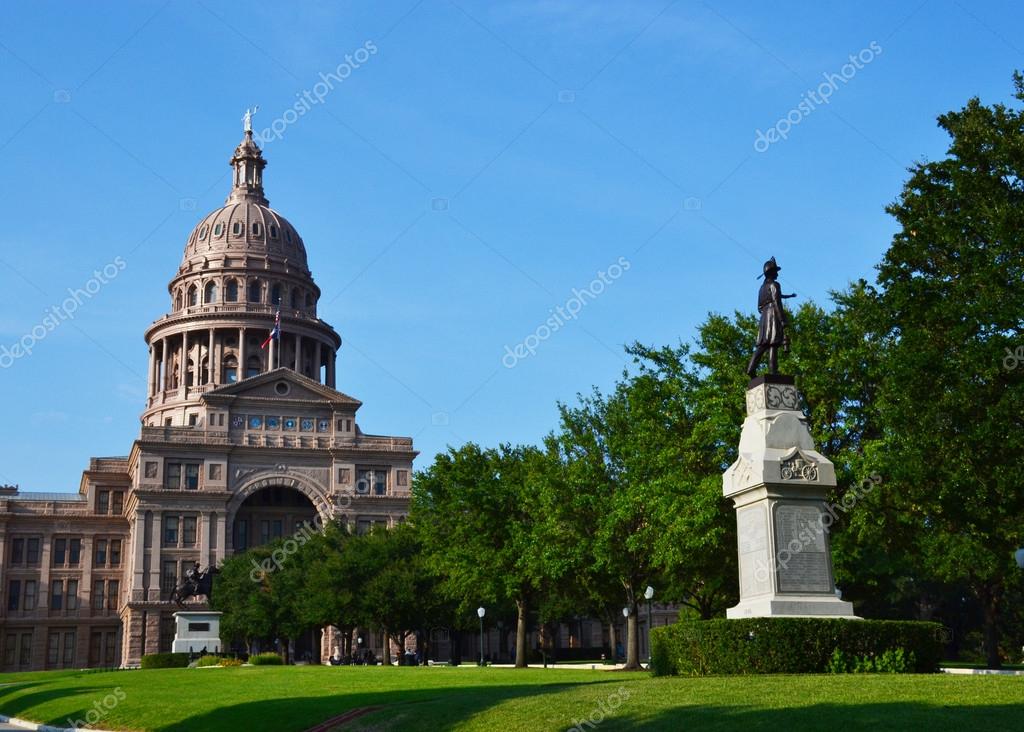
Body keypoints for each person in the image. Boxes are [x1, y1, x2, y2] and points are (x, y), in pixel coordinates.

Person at [746, 257, 797, 377]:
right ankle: (773, 371)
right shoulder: (775, 285)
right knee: (773, 343)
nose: (777, 274)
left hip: (764, 317)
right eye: (776, 271)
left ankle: (751, 368)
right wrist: (783, 320)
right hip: (773, 315)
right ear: (771, 272)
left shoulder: (761, 288)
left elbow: (759, 307)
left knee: (763, 344)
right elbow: (777, 302)